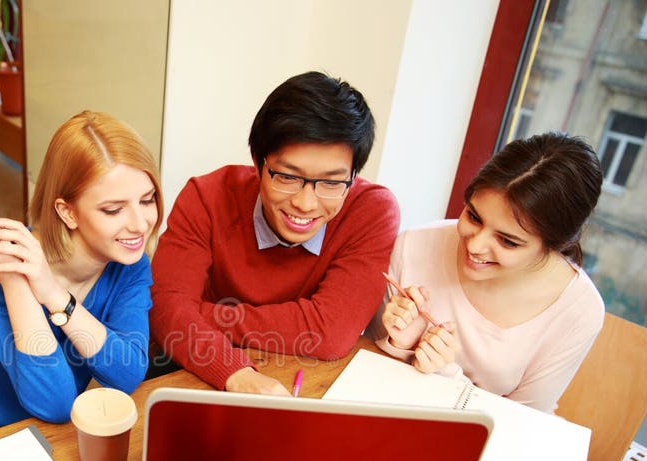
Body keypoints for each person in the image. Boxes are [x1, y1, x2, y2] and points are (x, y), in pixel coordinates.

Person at [0, 110, 162, 451]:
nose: (140, 224)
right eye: (113, 210)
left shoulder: (130, 265)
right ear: (67, 212)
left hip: (40, 440)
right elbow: (55, 403)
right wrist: (14, 281)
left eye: (147, 200)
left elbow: (127, 374)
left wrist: (53, 294)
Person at [149, 71, 400, 394]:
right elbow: (165, 311)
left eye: (331, 182)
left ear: (353, 175)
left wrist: (199, 312)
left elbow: (331, 332)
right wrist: (235, 372)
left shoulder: (370, 211)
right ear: (258, 163)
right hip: (198, 366)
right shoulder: (206, 196)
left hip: (303, 375)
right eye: (287, 176)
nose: (306, 203)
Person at [373, 132, 605, 413]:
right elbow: (370, 370)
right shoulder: (415, 245)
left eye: (507, 241)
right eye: (473, 216)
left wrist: (446, 375)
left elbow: (521, 424)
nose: (476, 245)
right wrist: (401, 345)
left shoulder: (579, 310)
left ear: (554, 246)